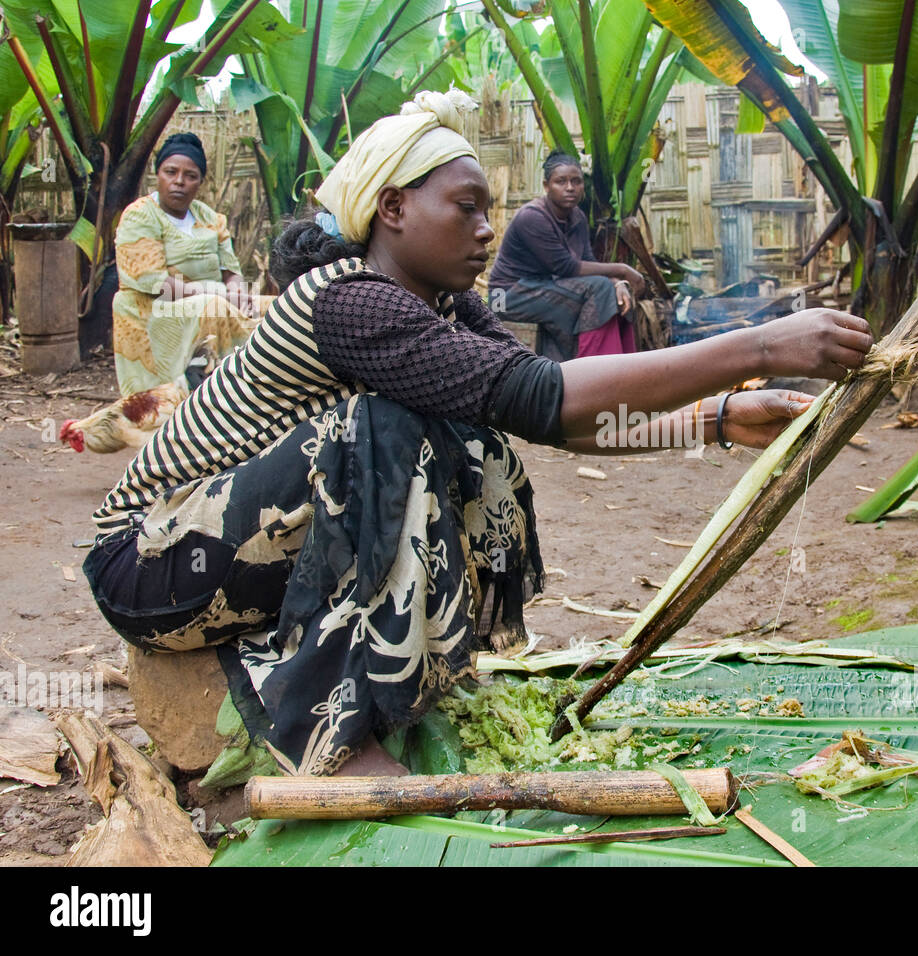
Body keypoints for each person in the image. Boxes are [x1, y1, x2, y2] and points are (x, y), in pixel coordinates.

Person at [82, 90, 874, 777]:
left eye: (489, 212)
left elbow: (555, 419)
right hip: (146, 565)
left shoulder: (443, 307)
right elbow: (540, 393)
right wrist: (761, 344)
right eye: (467, 208)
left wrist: (715, 419)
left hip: (228, 556)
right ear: (393, 209)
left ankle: (409, 671)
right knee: (380, 428)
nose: (488, 230)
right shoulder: (348, 301)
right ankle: (323, 737)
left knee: (470, 438)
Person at [111, 131, 273, 398]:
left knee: (277, 308)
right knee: (214, 307)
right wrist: (215, 293)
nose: (179, 182)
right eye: (170, 172)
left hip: (210, 303)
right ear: (157, 174)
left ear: (200, 181)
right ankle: (210, 393)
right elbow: (156, 284)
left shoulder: (209, 217)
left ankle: (260, 392)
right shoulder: (140, 216)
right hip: (154, 310)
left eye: (190, 176)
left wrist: (239, 293)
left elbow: (231, 272)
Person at [488, 150, 644, 360]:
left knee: (611, 292)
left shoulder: (577, 217)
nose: (570, 188)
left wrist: (617, 282)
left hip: (540, 288)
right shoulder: (532, 217)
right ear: (546, 186)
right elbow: (565, 268)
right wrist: (623, 269)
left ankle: (617, 364)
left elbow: (587, 262)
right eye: (561, 181)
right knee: (598, 289)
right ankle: (589, 364)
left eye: (576, 181)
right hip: (504, 296)